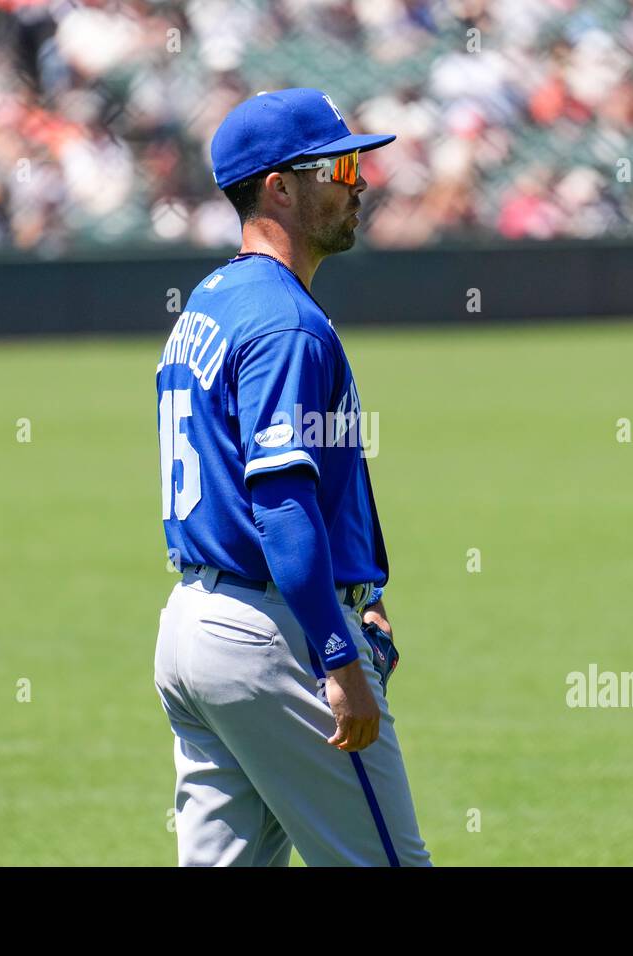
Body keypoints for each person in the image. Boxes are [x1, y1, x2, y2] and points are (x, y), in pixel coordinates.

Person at [152, 88, 431, 866]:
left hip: (193, 626)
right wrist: (337, 652)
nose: (360, 181)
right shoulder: (286, 323)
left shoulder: (211, 302)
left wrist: (360, 599)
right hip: (270, 635)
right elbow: (281, 510)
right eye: (340, 165)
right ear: (280, 186)